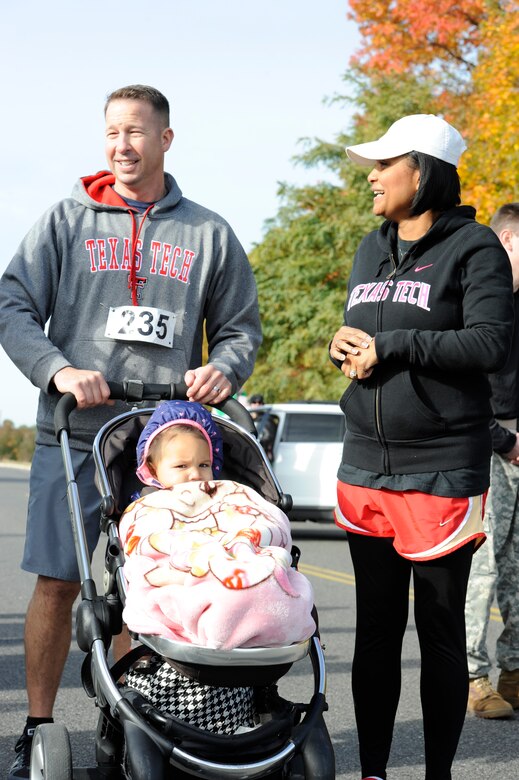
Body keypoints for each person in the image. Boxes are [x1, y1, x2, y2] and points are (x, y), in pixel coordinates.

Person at [0, 84, 262, 777]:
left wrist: (223, 370)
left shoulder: (207, 232)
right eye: (112, 132)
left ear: (166, 140)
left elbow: (240, 330)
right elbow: (12, 302)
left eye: (136, 132)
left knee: (152, 583)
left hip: (166, 445)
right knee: (61, 582)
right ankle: (39, 723)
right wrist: (57, 369)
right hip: (78, 431)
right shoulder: (66, 221)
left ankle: (132, 721)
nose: (122, 145)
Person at [328, 114, 514, 780]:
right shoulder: (367, 247)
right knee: (374, 629)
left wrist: (396, 344)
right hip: (363, 463)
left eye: (384, 164)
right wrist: (340, 345)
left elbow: (491, 343)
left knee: (436, 631)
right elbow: (362, 334)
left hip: (439, 466)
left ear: (423, 169)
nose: (371, 176)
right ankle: (374, 772)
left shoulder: (473, 247)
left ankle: (436, 775)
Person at [119, 400, 315, 741]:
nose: (195, 475)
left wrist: (248, 542)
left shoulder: (229, 493)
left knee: (267, 567)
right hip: (189, 571)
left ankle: (254, 607)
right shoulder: (148, 506)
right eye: (181, 466)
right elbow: (145, 543)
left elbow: (263, 520)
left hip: (238, 560)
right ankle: (224, 612)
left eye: (204, 464)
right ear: (152, 467)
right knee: (208, 585)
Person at [465, 202, 519, 718]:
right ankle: (474, 678)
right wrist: (502, 440)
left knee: (518, 568)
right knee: (481, 567)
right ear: (505, 243)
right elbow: (457, 389)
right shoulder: (478, 299)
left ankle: (515, 670)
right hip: (487, 446)